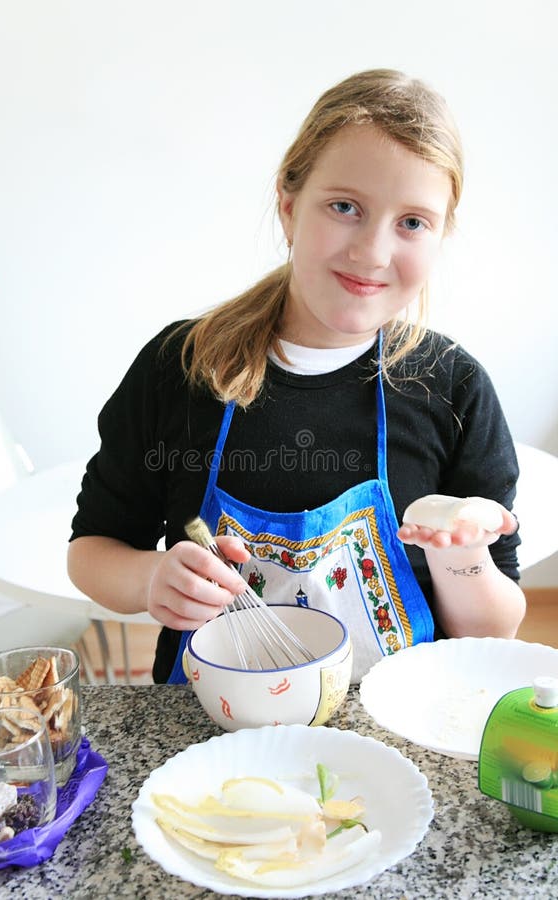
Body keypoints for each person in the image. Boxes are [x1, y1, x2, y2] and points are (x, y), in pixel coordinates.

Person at [67, 68, 525, 684]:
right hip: (216, 740)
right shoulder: (181, 365)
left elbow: (493, 629)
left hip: (394, 732)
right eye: (345, 207)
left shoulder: (453, 387)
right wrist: (151, 579)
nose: (373, 252)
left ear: (441, 234)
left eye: (412, 222)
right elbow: (91, 551)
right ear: (288, 206)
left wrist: (463, 557)